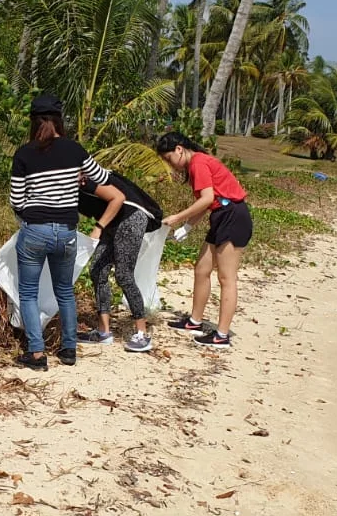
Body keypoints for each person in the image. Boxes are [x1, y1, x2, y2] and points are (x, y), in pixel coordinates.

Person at [8, 93, 123, 370]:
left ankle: (36, 354)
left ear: (33, 122)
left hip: (35, 230)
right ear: (60, 120)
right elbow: (103, 178)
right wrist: (78, 178)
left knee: (28, 293)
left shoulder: (24, 153)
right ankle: (69, 350)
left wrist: (33, 216)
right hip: (67, 232)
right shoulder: (75, 150)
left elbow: (16, 199)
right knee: (65, 292)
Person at [156, 132, 251, 350]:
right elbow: (207, 201)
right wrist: (188, 227)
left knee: (227, 278)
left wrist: (178, 218)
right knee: (201, 269)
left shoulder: (198, 162)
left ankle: (221, 335)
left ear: (179, 149)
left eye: (169, 159)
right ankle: (195, 322)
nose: (171, 166)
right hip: (221, 215)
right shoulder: (197, 164)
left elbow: (207, 199)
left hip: (233, 216)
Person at [79, 167, 163, 354]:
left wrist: (99, 227)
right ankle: (104, 331)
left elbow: (118, 198)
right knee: (97, 270)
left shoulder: (83, 179)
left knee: (123, 275)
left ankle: (142, 333)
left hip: (130, 217)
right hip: (113, 220)